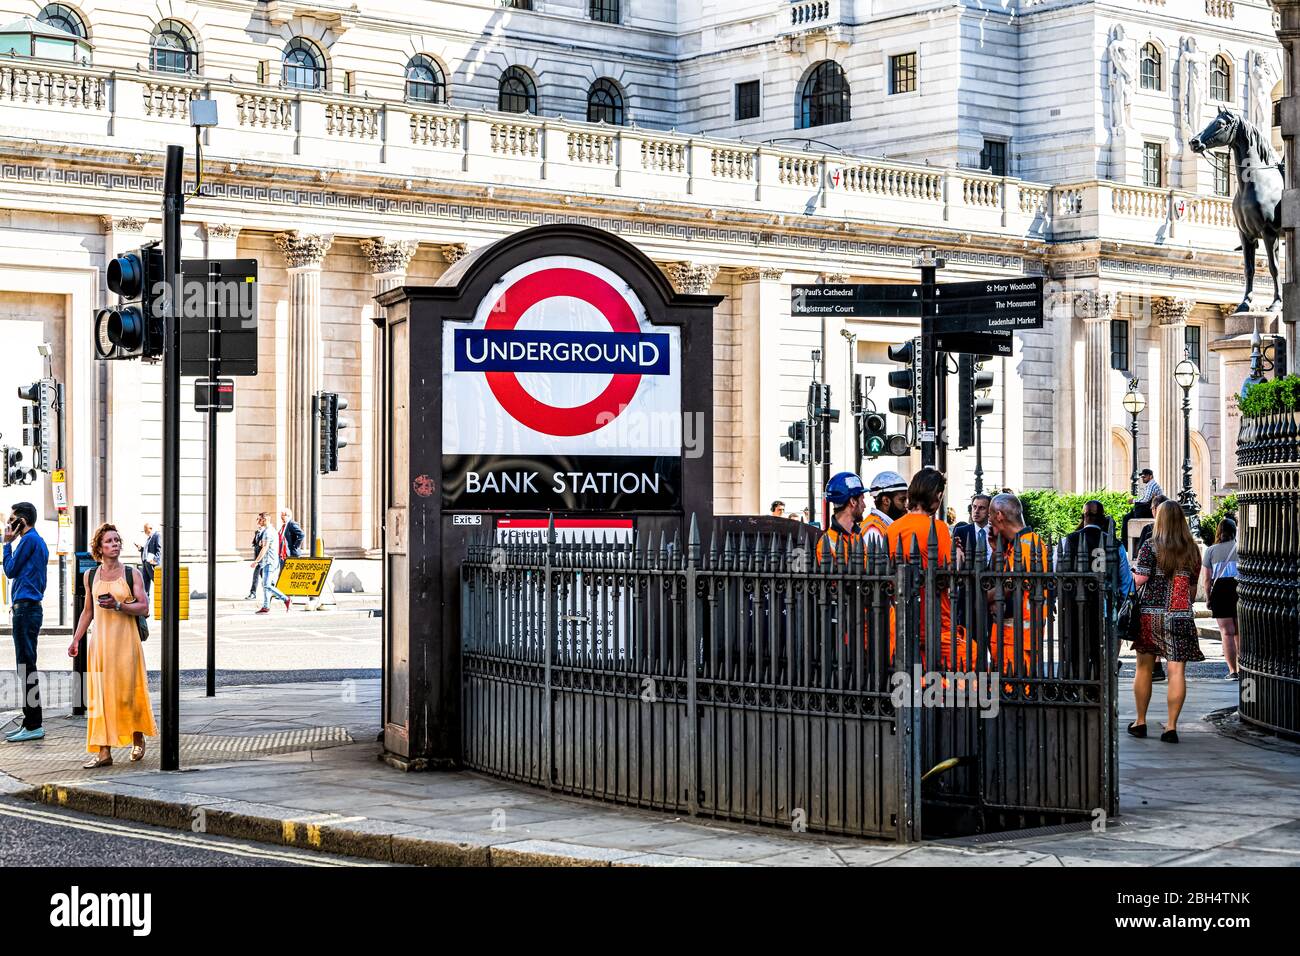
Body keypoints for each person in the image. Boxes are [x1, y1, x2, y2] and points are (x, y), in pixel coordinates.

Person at [67, 523, 157, 768]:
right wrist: (76, 638)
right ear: (99, 547)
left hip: (127, 644)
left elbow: (144, 607)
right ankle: (104, 752)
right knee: (101, 697)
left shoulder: (132, 574)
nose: (114, 544)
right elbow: (88, 611)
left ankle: (137, 737)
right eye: (109, 541)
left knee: (129, 694)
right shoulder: (91, 575)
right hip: (101, 645)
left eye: (117, 540)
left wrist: (119, 605)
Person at [1129, 501, 1205, 744]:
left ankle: (1140, 721)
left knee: (1144, 668)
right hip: (1180, 614)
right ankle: (1171, 726)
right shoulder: (1192, 549)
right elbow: (1192, 588)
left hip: (1150, 615)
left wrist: (1126, 575)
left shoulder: (1151, 547)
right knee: (1176, 672)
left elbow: (1140, 579)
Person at [886, 467, 965, 669]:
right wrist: (959, 556)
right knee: (969, 659)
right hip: (935, 619)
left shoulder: (893, 528)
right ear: (937, 496)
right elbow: (947, 571)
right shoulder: (937, 528)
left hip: (902, 616)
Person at [1058, 500, 1133, 679]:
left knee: (1077, 651)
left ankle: (1078, 686)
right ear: (1102, 519)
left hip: (1074, 607)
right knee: (1101, 652)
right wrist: (1120, 605)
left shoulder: (1068, 540)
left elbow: (1057, 575)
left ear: (1084, 517)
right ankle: (1101, 688)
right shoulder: (1115, 544)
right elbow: (1126, 581)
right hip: (1105, 608)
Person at [986, 492, 1051, 679]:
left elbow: (1008, 588)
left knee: (1016, 694)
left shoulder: (1027, 545)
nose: (989, 520)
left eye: (991, 515)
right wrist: (996, 550)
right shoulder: (1014, 546)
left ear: (999, 515)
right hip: (1011, 636)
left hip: (1019, 639)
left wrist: (983, 597)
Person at [3, 502, 47, 742]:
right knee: (26, 667)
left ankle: (33, 724)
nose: (10, 525)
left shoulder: (29, 540)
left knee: (26, 667)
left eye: (13, 520)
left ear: (22, 520)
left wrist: (7, 545)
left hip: (26, 609)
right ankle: (30, 721)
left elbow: (10, 570)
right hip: (29, 609)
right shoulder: (36, 541)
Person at [1201, 517, 1239, 680]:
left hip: (1220, 591)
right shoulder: (1241, 548)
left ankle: (1233, 671)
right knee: (1240, 632)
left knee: (1227, 633)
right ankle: (1246, 668)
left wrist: (1209, 598)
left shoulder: (1210, 551)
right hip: (1239, 589)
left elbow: (1207, 580)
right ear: (1235, 531)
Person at [815, 472, 865, 563]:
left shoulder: (858, 535)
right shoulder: (826, 544)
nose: (864, 505)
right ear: (853, 502)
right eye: (862, 500)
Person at [253, 512, 290, 614]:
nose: (258, 521)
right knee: (265, 584)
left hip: (269, 561)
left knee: (267, 585)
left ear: (265, 520)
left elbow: (265, 548)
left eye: (259, 519)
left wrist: (256, 561)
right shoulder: (272, 530)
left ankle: (286, 599)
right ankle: (266, 606)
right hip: (272, 561)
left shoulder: (268, 532)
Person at [860, 471, 908, 543]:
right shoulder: (873, 530)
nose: (906, 505)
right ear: (886, 501)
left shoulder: (884, 525)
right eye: (902, 500)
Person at [954, 494, 993, 565]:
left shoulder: (996, 532)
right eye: (974, 507)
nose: (976, 511)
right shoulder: (961, 532)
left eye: (981, 508)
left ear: (989, 511)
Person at [137, 521, 161, 597]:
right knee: (145, 584)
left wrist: (155, 560)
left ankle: (164, 596)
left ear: (150, 528)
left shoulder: (157, 536)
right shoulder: (148, 539)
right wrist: (141, 548)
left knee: (157, 581)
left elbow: (159, 549)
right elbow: (147, 550)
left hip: (150, 563)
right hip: (145, 563)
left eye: (145, 529)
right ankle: (146, 602)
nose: (144, 531)